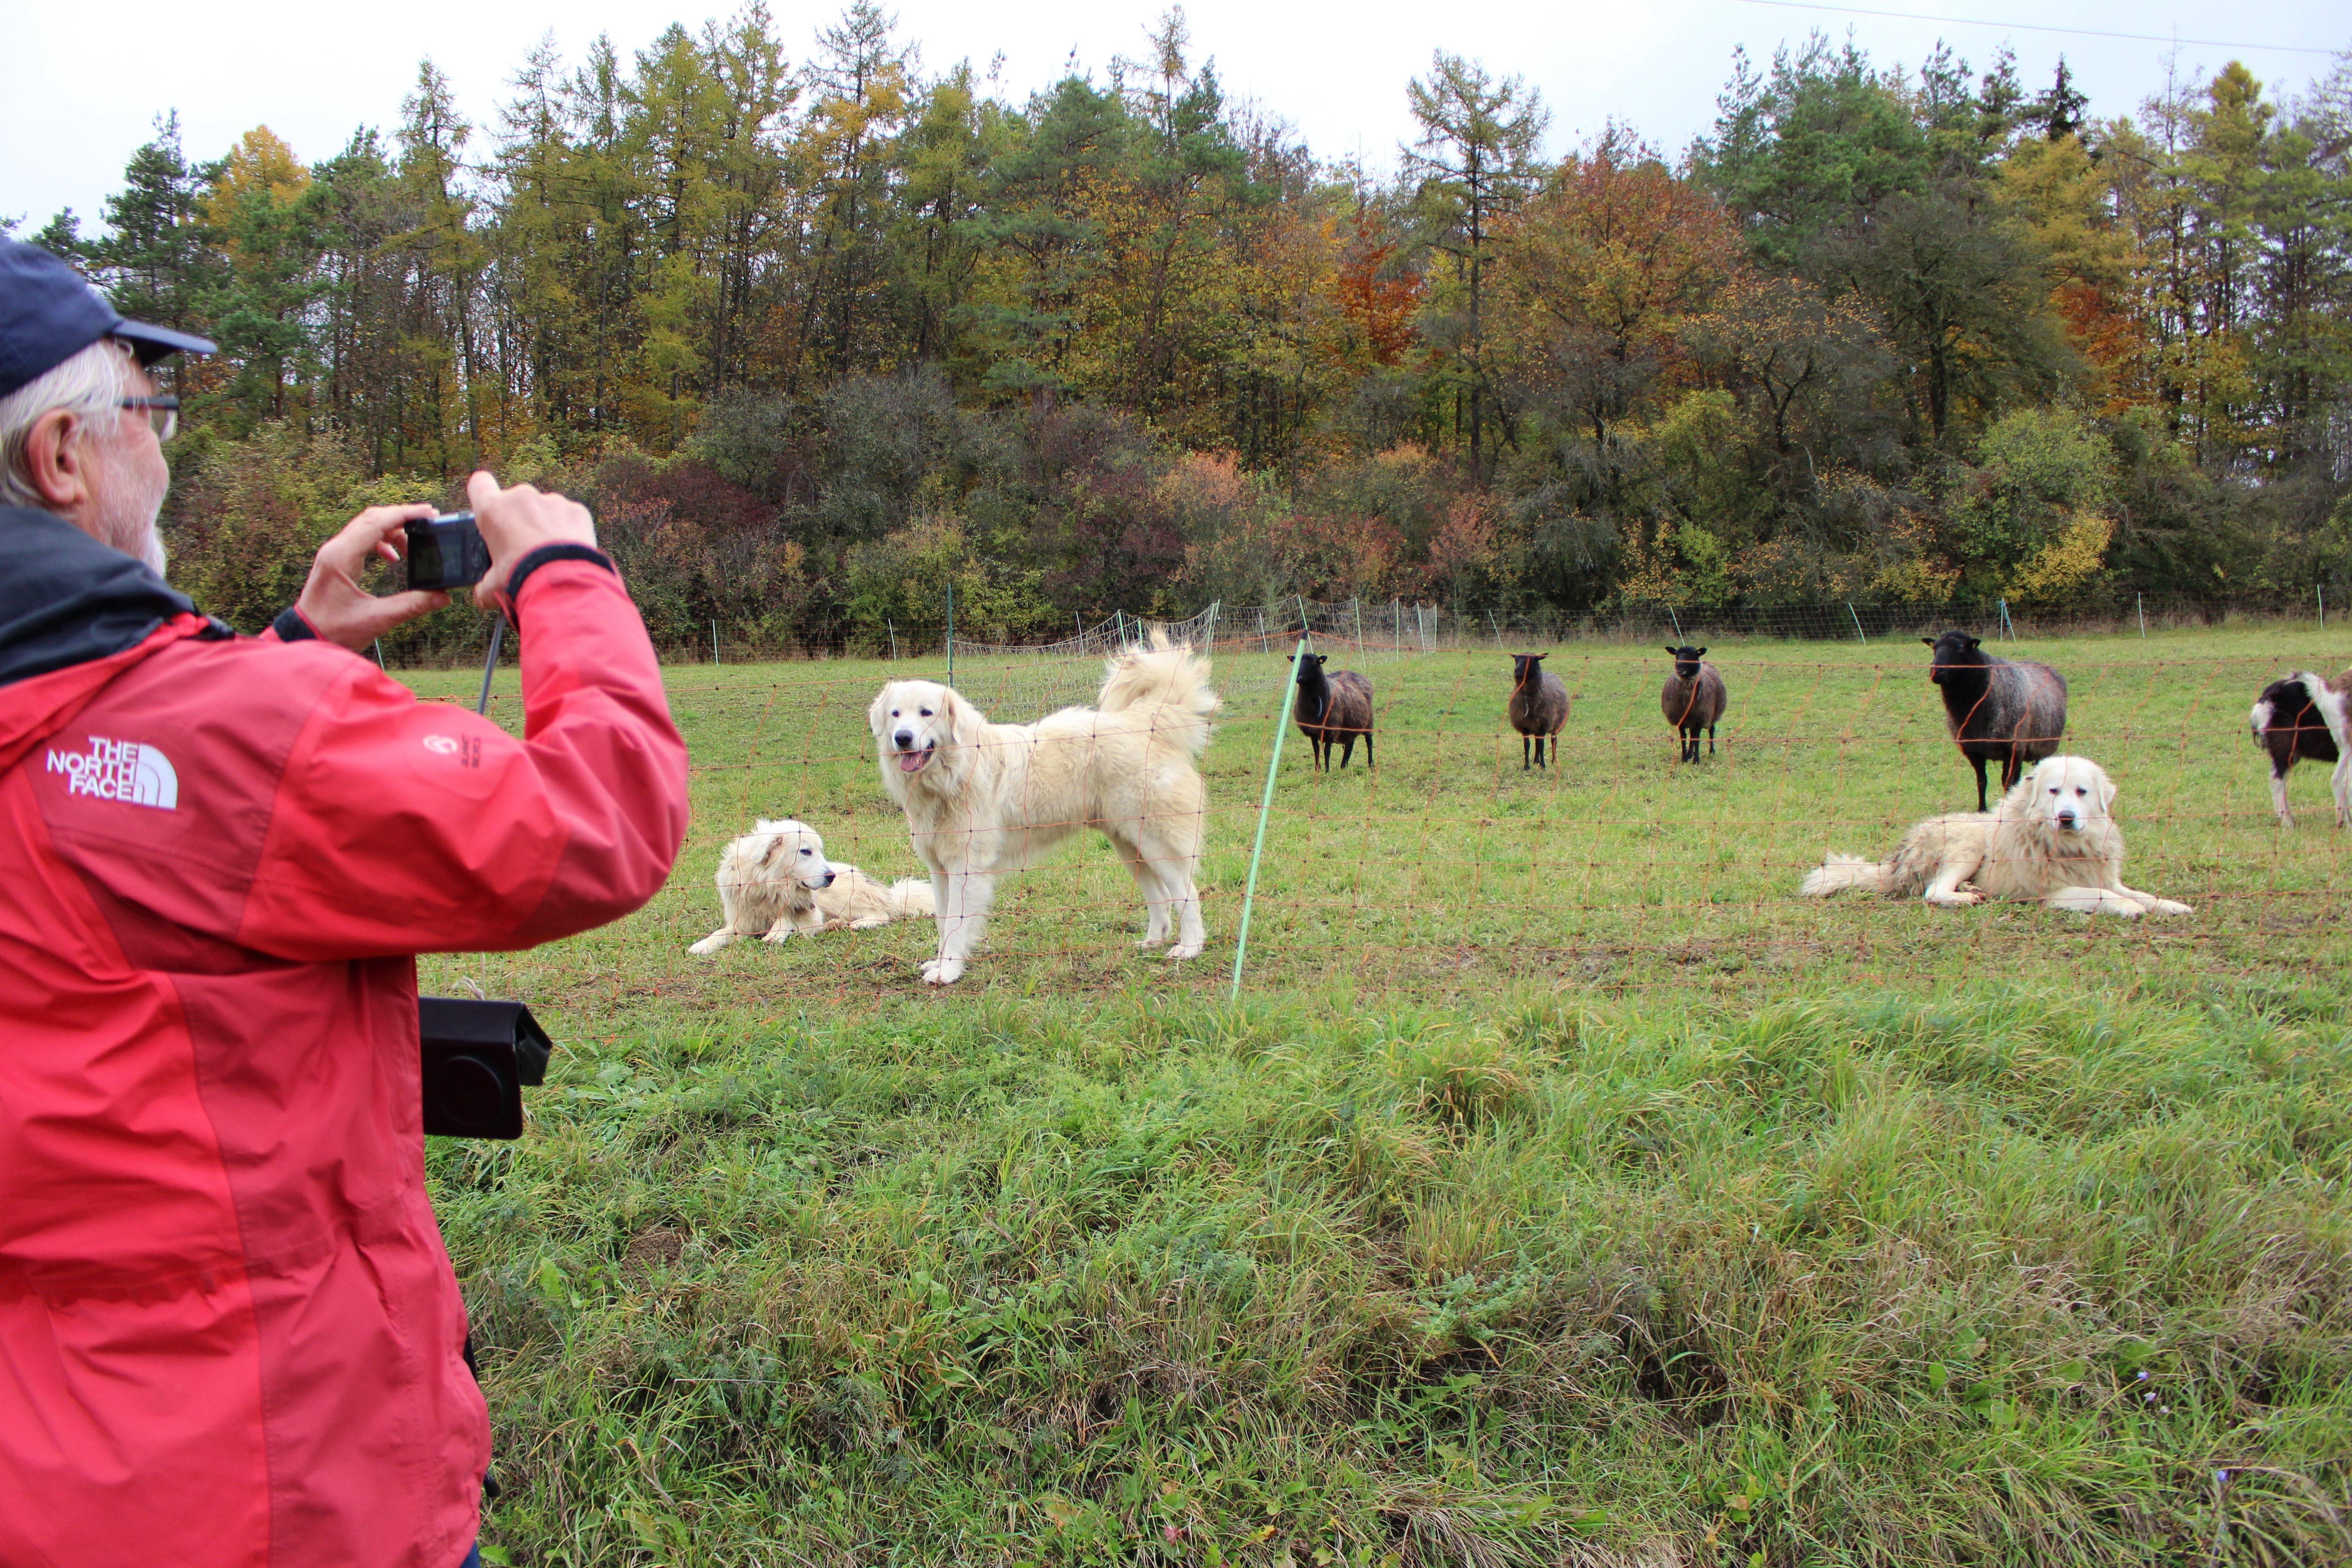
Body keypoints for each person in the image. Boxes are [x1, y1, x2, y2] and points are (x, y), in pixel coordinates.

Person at [0, 239, 689, 1566]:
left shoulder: (176, 728)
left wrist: (285, 650)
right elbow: (597, 823)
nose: (168, 450)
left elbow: (119, 828)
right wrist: (569, 583)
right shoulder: (240, 739)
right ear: (65, 462)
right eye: (150, 410)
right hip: (280, 1485)